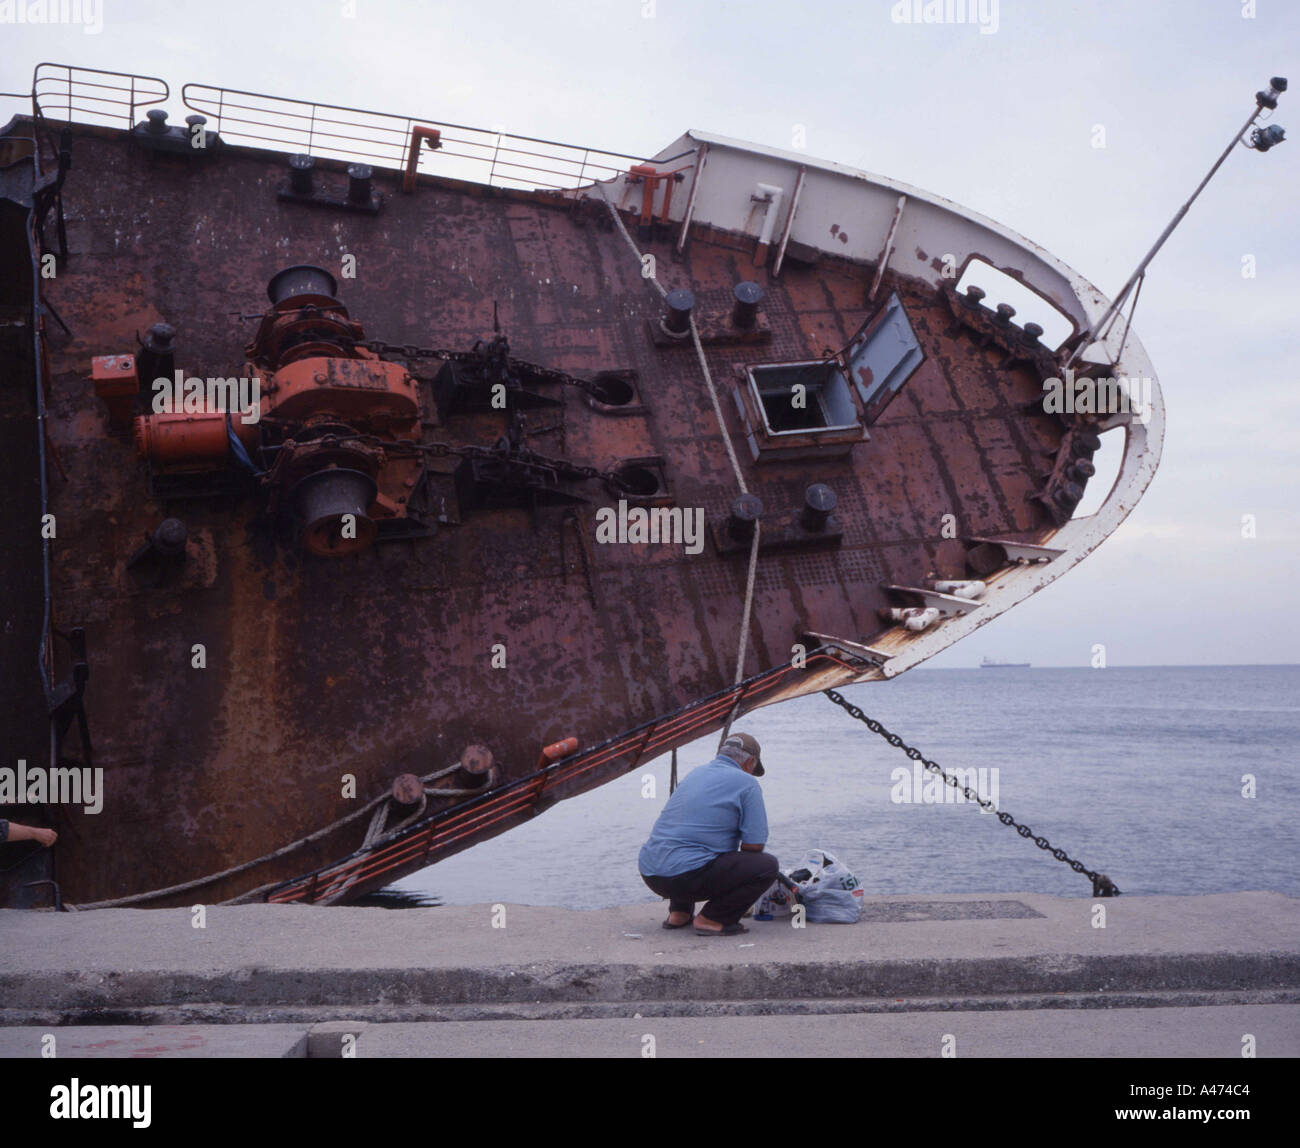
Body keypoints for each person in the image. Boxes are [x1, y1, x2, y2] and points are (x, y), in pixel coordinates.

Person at [638, 731, 778, 936]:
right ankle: (713, 918)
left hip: (651, 873)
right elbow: (754, 845)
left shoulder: (696, 773)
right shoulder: (747, 783)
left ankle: (679, 914)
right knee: (766, 866)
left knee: (691, 848)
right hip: (686, 877)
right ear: (751, 762)